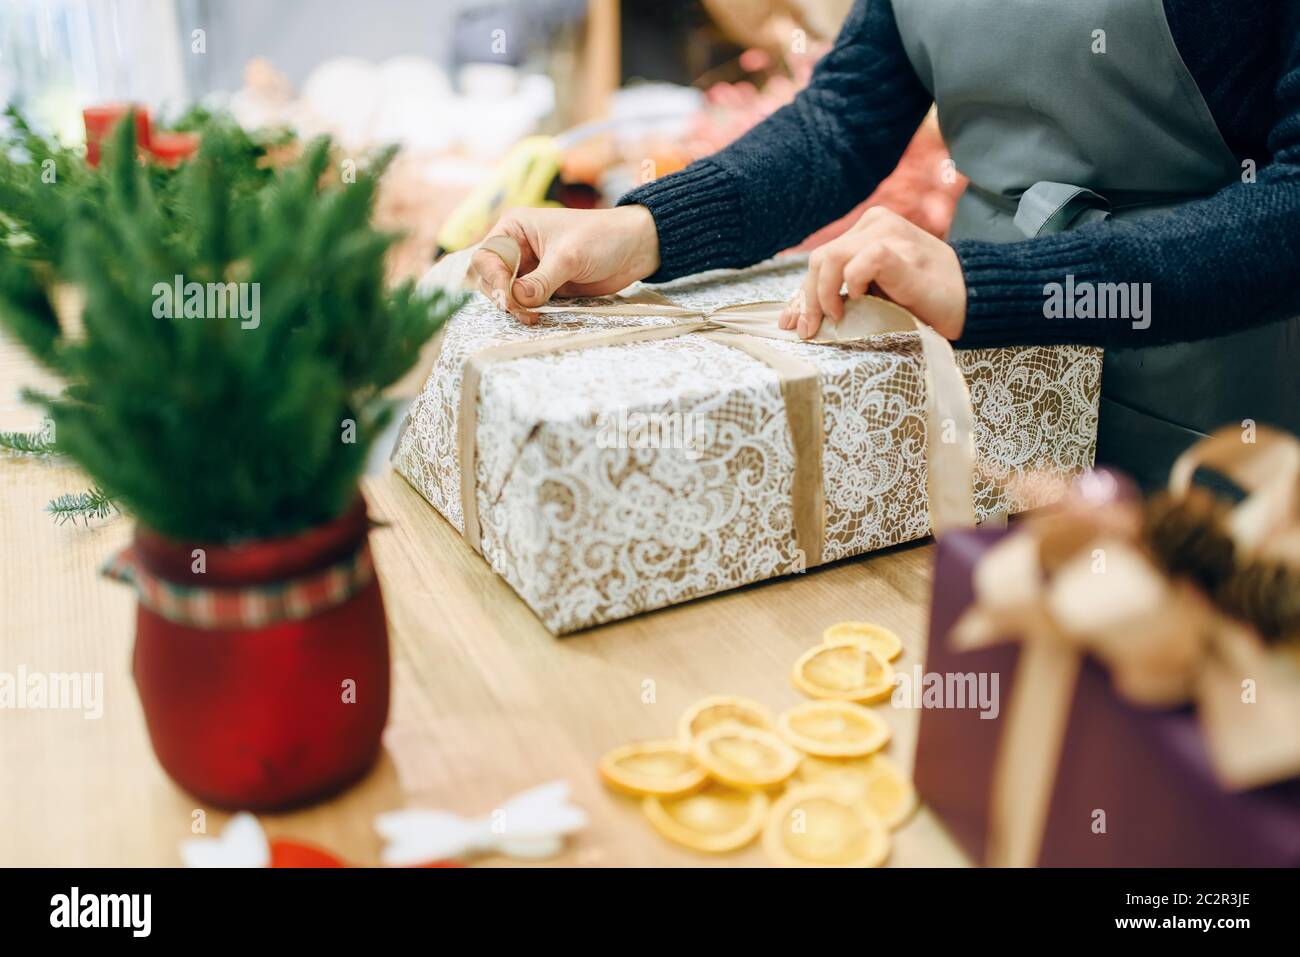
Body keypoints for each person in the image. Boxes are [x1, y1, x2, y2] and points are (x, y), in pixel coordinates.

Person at [471, 0, 1300, 486]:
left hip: (1212, 394)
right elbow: (845, 120)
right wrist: (643, 228)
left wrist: (999, 286)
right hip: (982, 380)